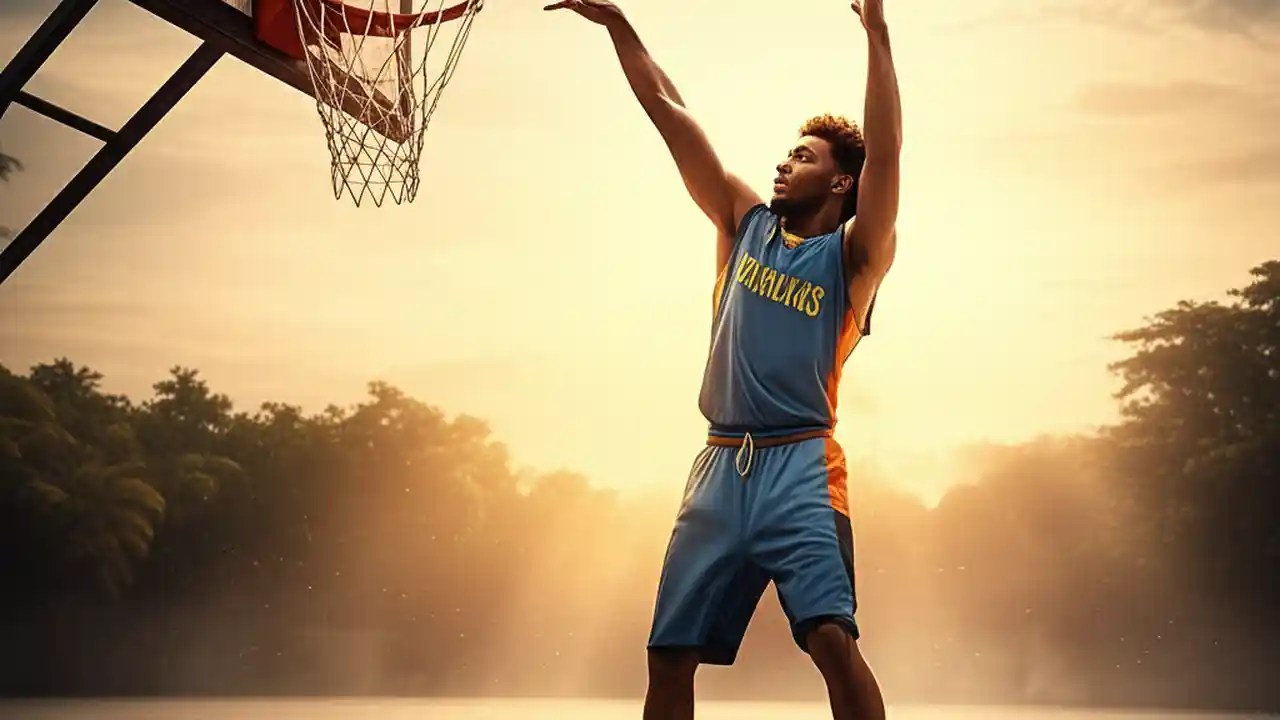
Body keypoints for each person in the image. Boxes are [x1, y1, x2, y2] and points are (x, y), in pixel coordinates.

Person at [544, 1, 900, 718]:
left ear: (839, 185)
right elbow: (672, 112)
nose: (782, 160)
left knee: (831, 638)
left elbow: (888, 157)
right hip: (716, 467)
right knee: (668, 655)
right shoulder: (744, 224)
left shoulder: (854, 258)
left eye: (803, 156)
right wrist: (619, 25)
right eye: (787, 149)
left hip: (800, 465)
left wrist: (878, 35)